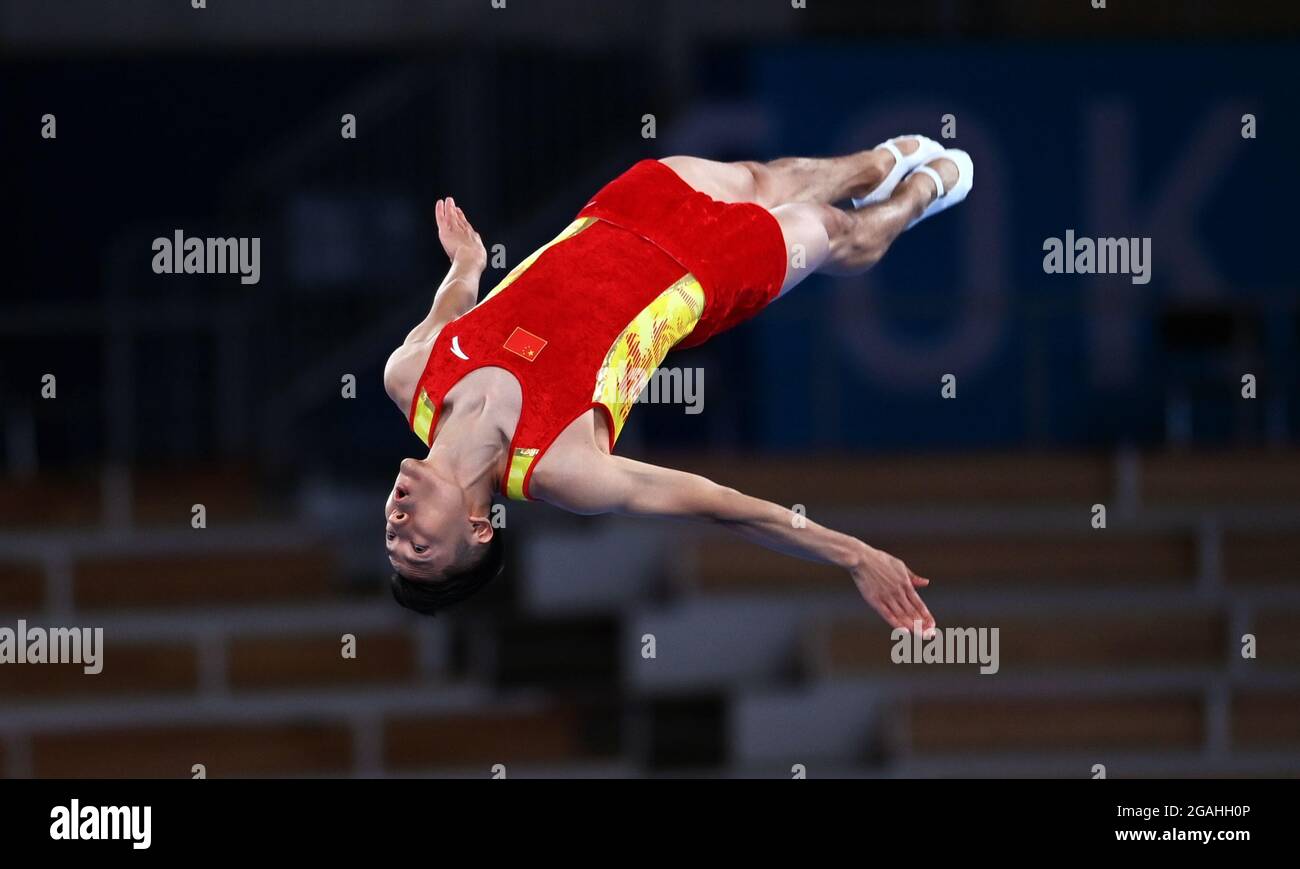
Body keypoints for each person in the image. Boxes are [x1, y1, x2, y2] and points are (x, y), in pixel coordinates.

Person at [381, 136, 973, 635]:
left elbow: (448, 312)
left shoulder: (409, 377)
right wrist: (853, 554)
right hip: (707, 272)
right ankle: (919, 197)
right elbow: (722, 506)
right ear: (479, 528)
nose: (398, 528)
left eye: (392, 539)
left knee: (765, 178)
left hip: (620, 210)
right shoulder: (562, 467)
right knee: (841, 232)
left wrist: (466, 265)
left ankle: (878, 163)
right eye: (420, 549)